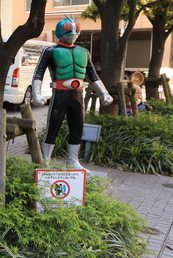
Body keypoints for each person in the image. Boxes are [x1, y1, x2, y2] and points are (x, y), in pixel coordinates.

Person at [31, 18, 113, 169]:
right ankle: (46, 161)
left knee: (77, 127)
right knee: (53, 127)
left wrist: (104, 93)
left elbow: (92, 74)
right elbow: (39, 73)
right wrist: (35, 93)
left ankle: (73, 161)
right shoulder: (50, 51)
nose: (73, 32)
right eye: (69, 28)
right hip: (60, 94)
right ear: (61, 31)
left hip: (77, 95)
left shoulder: (84, 52)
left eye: (76, 29)